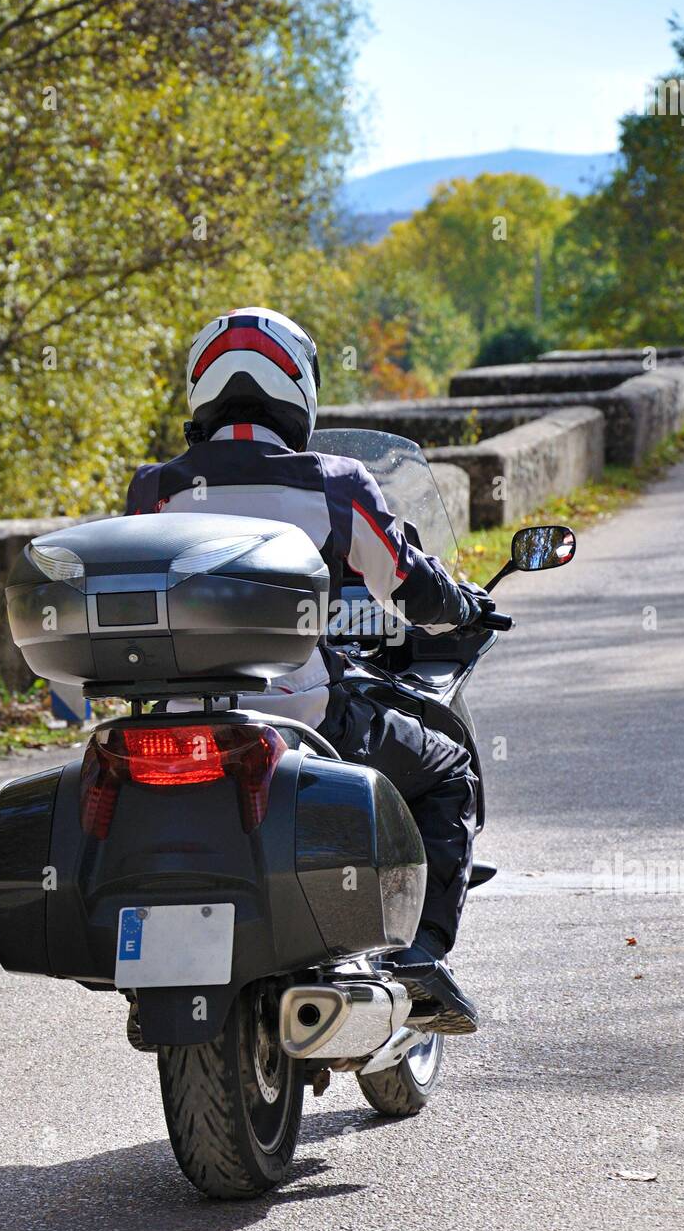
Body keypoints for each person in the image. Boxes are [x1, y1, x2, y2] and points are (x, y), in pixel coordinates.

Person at [126, 307, 501, 1033]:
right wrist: (458, 602)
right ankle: (419, 957)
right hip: (301, 712)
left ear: (199, 391)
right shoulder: (334, 481)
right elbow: (404, 582)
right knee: (448, 768)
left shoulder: (156, 487)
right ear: (299, 390)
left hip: (181, 715)